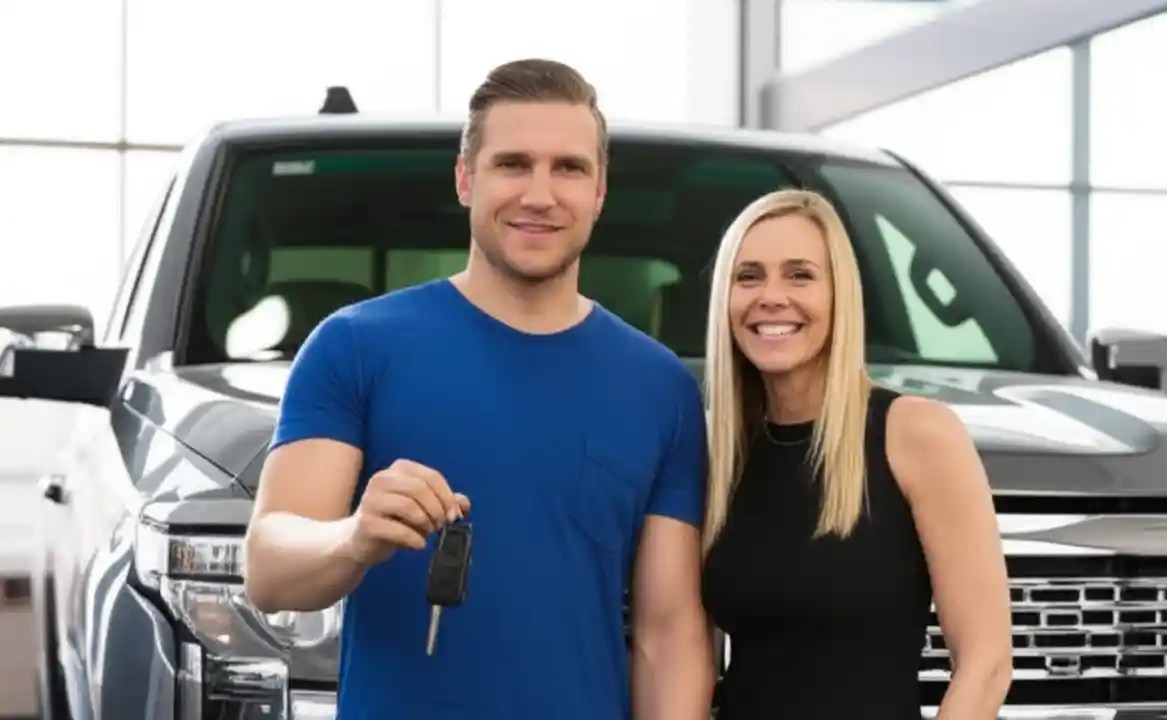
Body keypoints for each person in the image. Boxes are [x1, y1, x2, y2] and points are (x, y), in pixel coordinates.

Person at [242, 58, 715, 720]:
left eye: (568, 168)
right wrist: (353, 538)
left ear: (600, 190)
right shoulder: (354, 347)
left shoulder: (661, 388)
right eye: (513, 164)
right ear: (466, 179)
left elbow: (668, 636)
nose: (540, 194)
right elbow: (268, 568)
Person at [698, 188, 1013, 719]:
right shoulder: (718, 454)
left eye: (800, 275)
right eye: (748, 276)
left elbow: (987, 663)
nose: (771, 296)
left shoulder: (916, 434)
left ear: (840, 294)